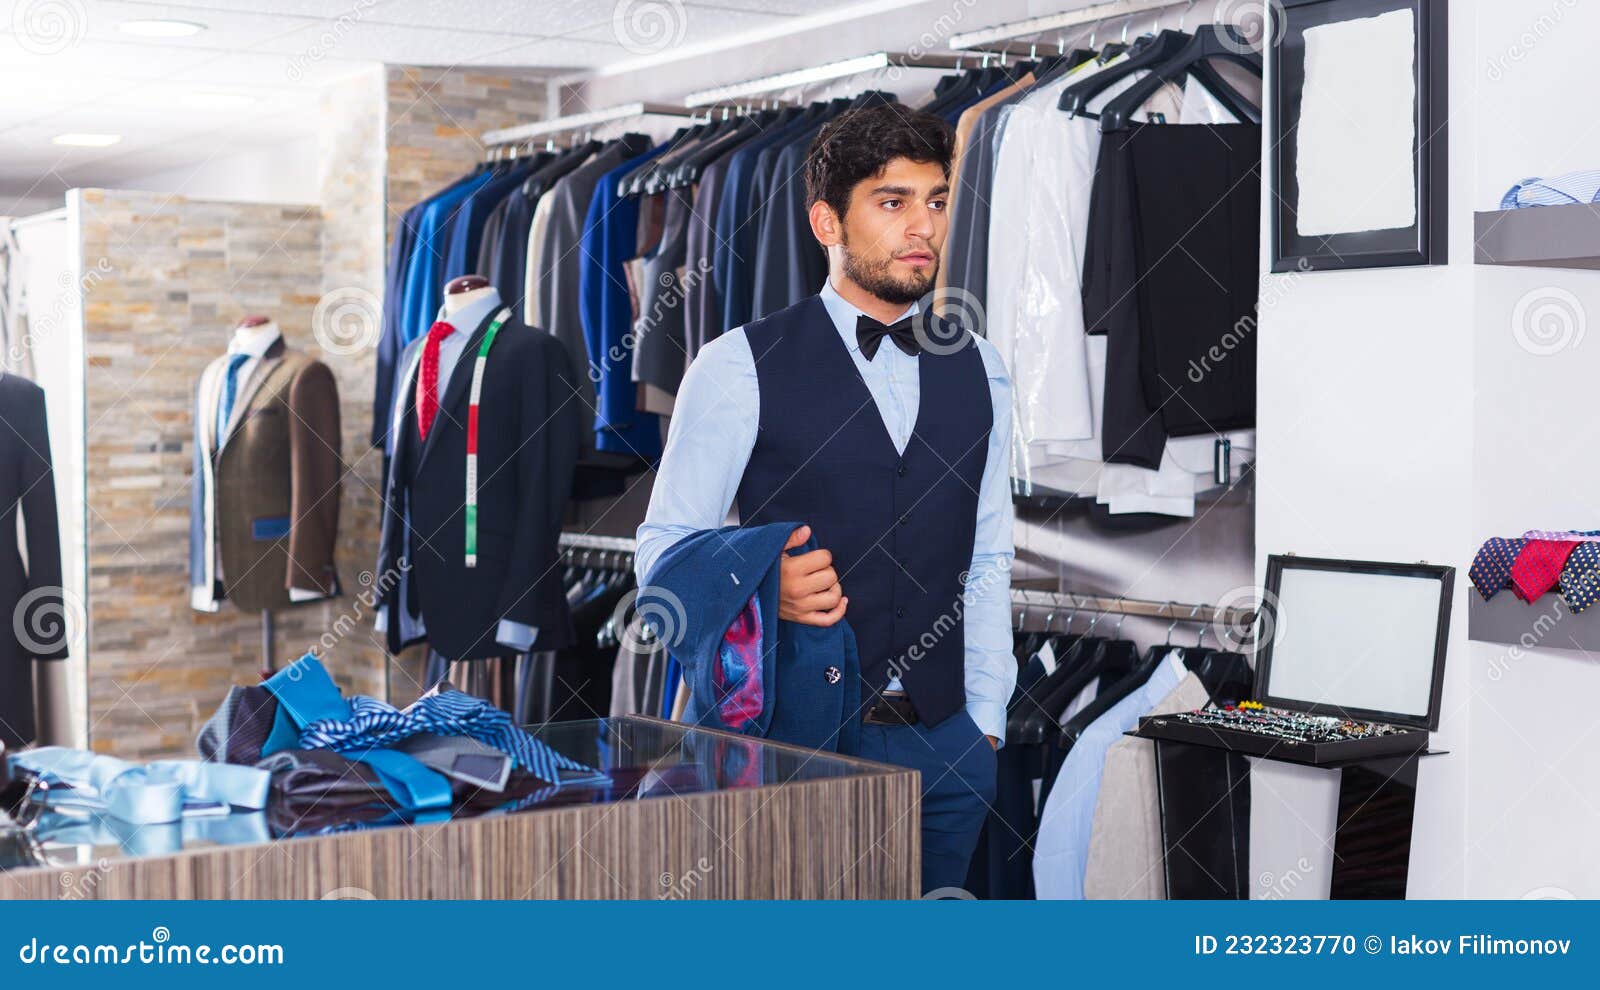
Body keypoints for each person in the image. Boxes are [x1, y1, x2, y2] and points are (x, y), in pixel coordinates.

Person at [636, 103, 1016, 895]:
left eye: (937, 200)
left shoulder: (985, 369)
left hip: (945, 752)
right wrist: (758, 582)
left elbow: (988, 553)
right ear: (825, 222)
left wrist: (984, 724)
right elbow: (661, 559)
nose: (924, 226)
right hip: (794, 749)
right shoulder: (735, 365)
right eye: (892, 201)